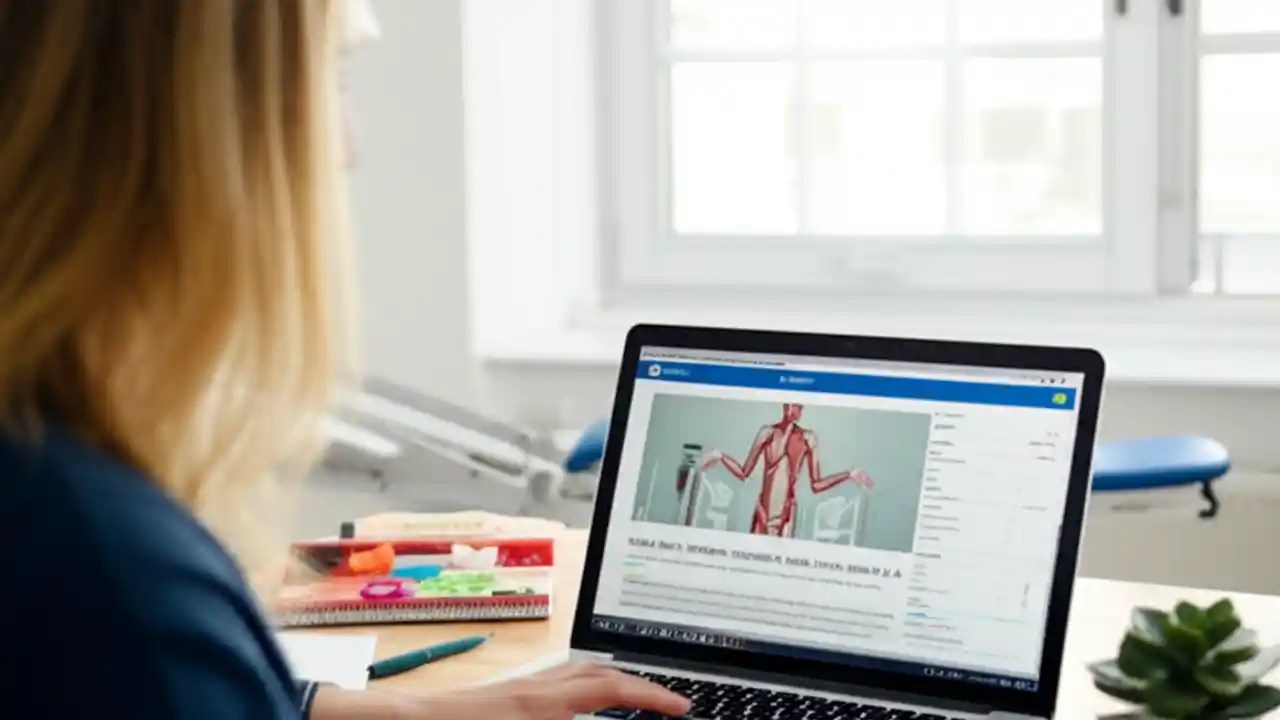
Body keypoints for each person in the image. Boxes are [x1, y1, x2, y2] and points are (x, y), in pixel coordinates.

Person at [0, 2, 690, 719]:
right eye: (334, 74)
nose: (348, 146)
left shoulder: (48, 488)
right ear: (201, 126)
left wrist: (428, 713)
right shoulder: (109, 572)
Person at [698, 403, 874, 537]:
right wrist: (719, 456)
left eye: (799, 406)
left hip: (786, 514)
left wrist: (849, 475)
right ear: (784, 405)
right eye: (792, 404)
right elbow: (745, 472)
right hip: (763, 510)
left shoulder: (808, 438)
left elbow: (816, 485)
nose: (796, 409)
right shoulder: (768, 433)